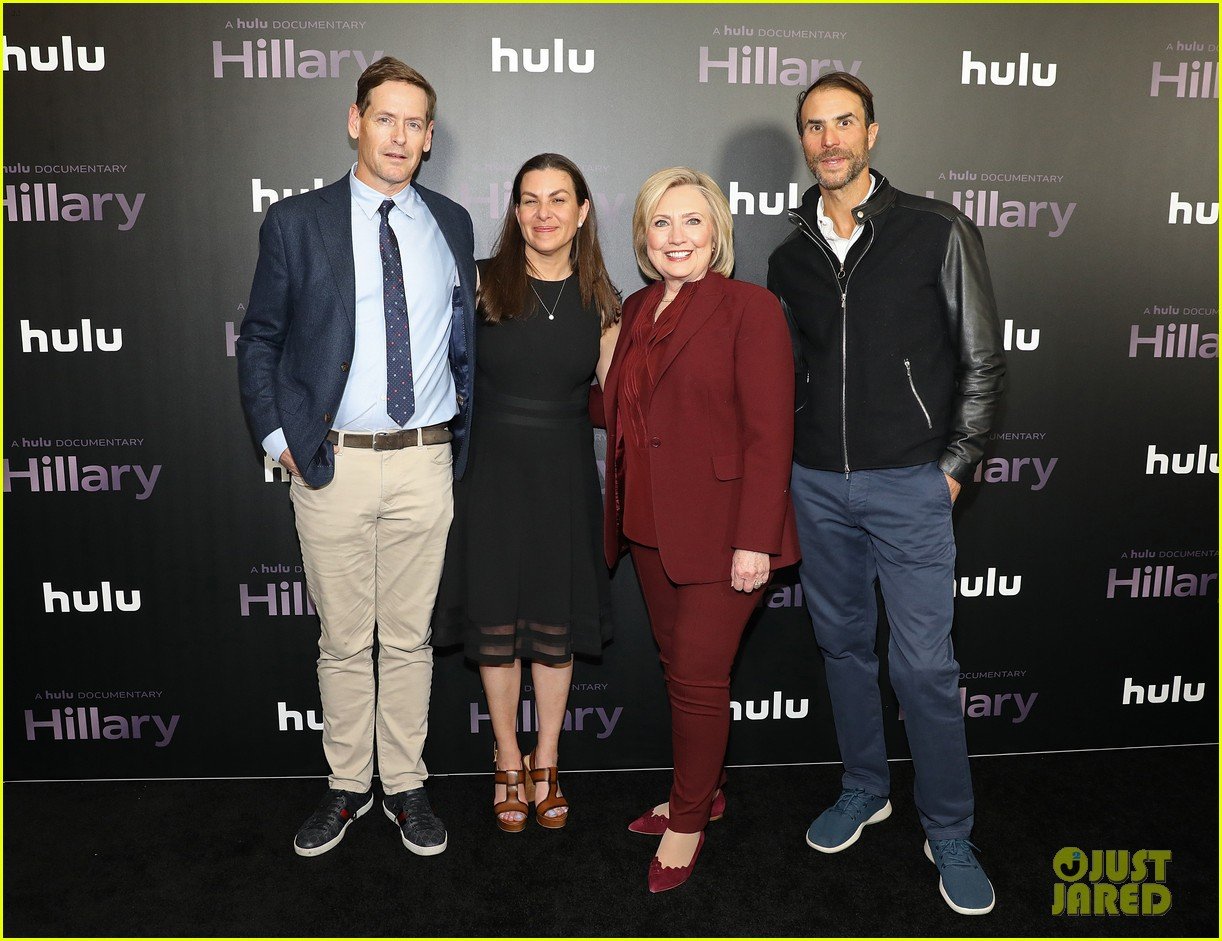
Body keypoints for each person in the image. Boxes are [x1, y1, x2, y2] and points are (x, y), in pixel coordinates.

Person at [767, 72, 1006, 915]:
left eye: (844, 124)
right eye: (813, 126)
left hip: (911, 481)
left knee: (925, 665)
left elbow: (983, 359)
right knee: (841, 647)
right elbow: (783, 376)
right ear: (804, 140)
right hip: (817, 485)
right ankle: (866, 786)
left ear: (873, 133)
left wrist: (952, 467)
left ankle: (949, 829)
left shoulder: (935, 228)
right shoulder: (786, 254)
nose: (828, 140)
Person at [236, 57, 476, 858]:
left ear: (430, 137)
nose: (400, 135)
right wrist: (281, 443)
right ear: (355, 120)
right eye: (386, 118)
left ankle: (404, 786)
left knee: (407, 639)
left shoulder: (452, 221)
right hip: (330, 464)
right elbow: (261, 339)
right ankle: (347, 787)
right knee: (344, 640)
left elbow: (462, 341)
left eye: (415, 123)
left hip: (424, 460)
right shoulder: (295, 222)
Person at [601, 167, 799, 892]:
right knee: (675, 664)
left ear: (717, 232)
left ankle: (689, 819)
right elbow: (630, 415)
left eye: (692, 221)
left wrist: (757, 537)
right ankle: (704, 791)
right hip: (650, 524)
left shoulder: (751, 307)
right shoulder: (636, 306)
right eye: (661, 222)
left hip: (726, 532)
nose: (676, 237)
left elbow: (769, 432)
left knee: (697, 677)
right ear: (643, 236)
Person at [432, 153, 620, 832]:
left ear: (582, 211)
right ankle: (506, 756)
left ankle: (549, 757)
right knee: (498, 628)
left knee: (553, 627)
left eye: (559, 199)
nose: (545, 213)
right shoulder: (480, 285)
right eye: (531, 200)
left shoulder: (603, 299)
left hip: (564, 477)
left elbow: (626, 402)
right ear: (516, 211)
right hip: (490, 477)